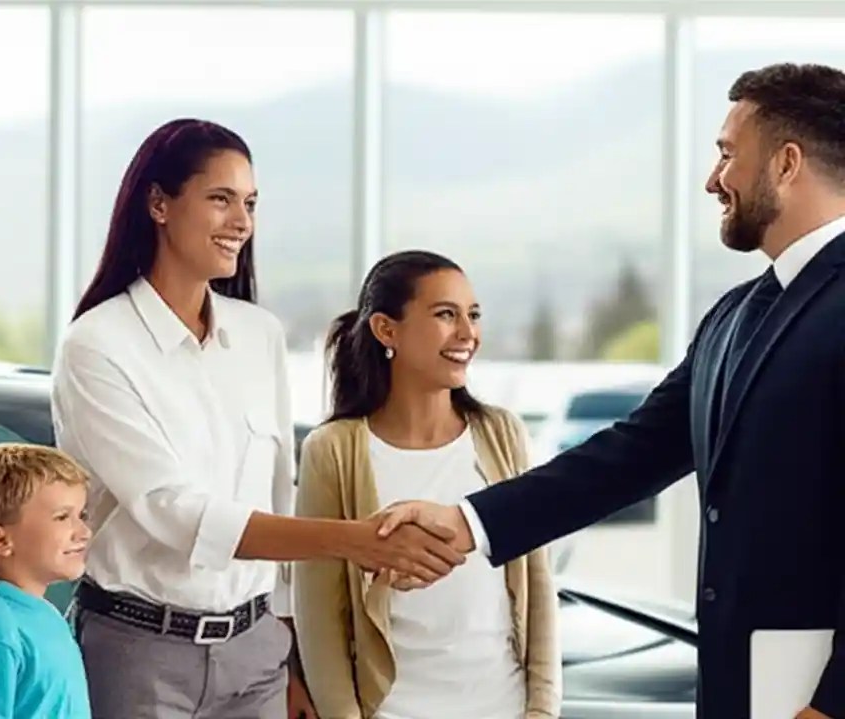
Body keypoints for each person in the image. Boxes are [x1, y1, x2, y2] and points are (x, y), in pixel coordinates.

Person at [377, 63, 845, 719]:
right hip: (738, 692)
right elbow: (629, 457)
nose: (714, 180)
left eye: (727, 154)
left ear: (787, 163)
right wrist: (468, 523)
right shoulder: (733, 316)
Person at [51, 117, 463, 719]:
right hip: (140, 655)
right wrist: (354, 541)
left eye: (249, 203)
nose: (242, 223)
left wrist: (291, 653)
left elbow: (279, 492)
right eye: (221, 200)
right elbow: (175, 512)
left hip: (256, 657)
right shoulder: (97, 346)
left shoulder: (258, 335)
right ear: (158, 203)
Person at [294, 250, 560, 719]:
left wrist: (542, 710)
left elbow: (538, 587)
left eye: (473, 315)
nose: (467, 334)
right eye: (445, 315)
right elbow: (318, 616)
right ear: (386, 330)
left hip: (504, 707)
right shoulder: (334, 450)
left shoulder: (502, 435)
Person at [0, 443, 93, 718]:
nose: (83, 532)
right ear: (0, 540)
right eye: (62, 517)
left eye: (81, 515)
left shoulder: (43, 613)